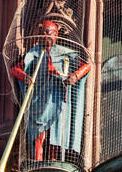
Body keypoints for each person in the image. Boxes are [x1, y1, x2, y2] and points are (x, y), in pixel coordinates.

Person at [10, 20, 90, 162]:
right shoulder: (34, 52)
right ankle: (38, 159)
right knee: (39, 131)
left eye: (48, 32)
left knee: (56, 130)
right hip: (39, 98)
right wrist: (25, 77)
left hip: (58, 97)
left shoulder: (64, 53)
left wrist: (75, 76)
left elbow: (86, 66)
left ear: (56, 35)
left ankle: (53, 161)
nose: (45, 35)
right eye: (42, 33)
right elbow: (15, 69)